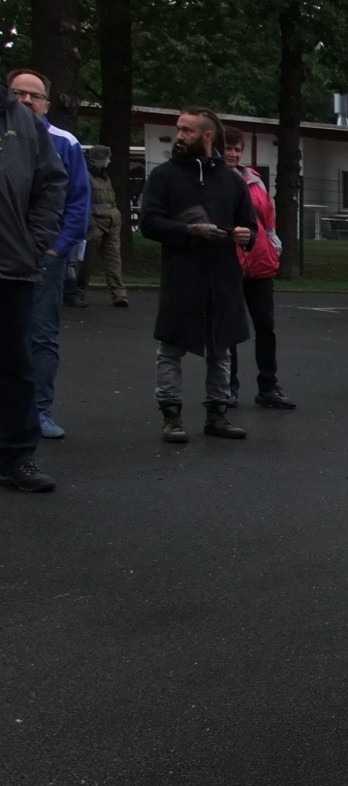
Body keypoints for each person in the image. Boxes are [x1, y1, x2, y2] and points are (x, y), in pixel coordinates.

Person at [138, 106, 256, 442]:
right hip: (182, 276)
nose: (179, 136)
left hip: (222, 278)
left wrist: (246, 236)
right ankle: (171, 416)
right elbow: (149, 222)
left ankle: (217, 415)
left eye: (187, 130)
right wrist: (190, 231)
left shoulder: (232, 181)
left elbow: (249, 225)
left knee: (222, 348)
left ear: (206, 136)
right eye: (178, 129)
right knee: (171, 347)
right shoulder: (165, 176)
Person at [9, 70, 89, 441]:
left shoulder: (65, 143)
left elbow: (77, 203)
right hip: (5, 255)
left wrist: (57, 247)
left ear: (47, 104)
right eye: (18, 93)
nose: (27, 101)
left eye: (35, 96)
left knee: (40, 334)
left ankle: (38, 409)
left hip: (45, 257)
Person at [0, 80, 66, 492]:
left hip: (11, 264)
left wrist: (35, 239)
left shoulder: (23, 122)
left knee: (14, 366)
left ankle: (16, 457)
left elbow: (52, 183)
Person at [221, 127, 294, 410]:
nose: (233, 154)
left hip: (259, 259)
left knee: (266, 325)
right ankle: (228, 387)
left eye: (237, 149)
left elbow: (267, 216)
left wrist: (274, 242)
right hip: (229, 260)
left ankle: (268, 386)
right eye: (228, 148)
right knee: (231, 326)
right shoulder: (213, 179)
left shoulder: (254, 179)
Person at [74, 145, 129, 309]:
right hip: (95, 222)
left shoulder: (104, 177)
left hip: (111, 221)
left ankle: (119, 294)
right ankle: (77, 292)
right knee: (86, 261)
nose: (109, 161)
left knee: (114, 260)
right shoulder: (86, 176)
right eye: (107, 158)